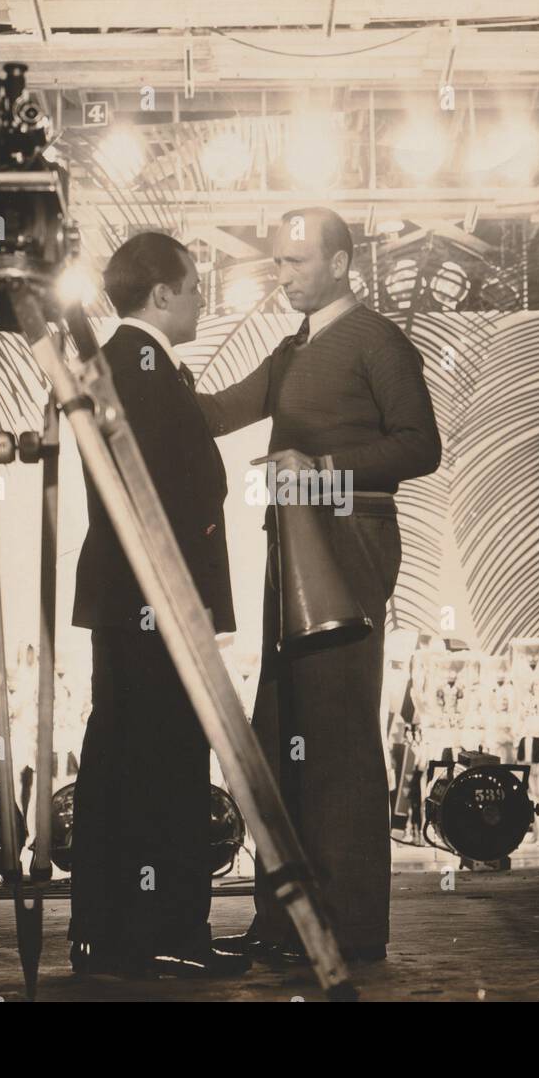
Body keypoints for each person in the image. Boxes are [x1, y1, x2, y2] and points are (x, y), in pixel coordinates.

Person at [198, 207, 441, 961]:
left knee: (334, 734)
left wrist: (323, 471)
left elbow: (420, 446)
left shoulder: (376, 340)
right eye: (278, 262)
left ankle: (351, 926)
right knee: (282, 731)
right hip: (293, 543)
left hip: (350, 537)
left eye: (297, 262)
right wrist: (141, 375)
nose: (283, 275)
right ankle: (287, 923)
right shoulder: (291, 349)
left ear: (341, 263)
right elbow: (218, 411)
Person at [68, 232, 249, 979]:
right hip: (157, 598)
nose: (203, 297)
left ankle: (110, 934)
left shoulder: (127, 365)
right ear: (163, 294)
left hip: (130, 598)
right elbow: (174, 495)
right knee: (166, 765)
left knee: (120, 759)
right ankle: (168, 929)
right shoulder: (140, 371)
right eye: (196, 284)